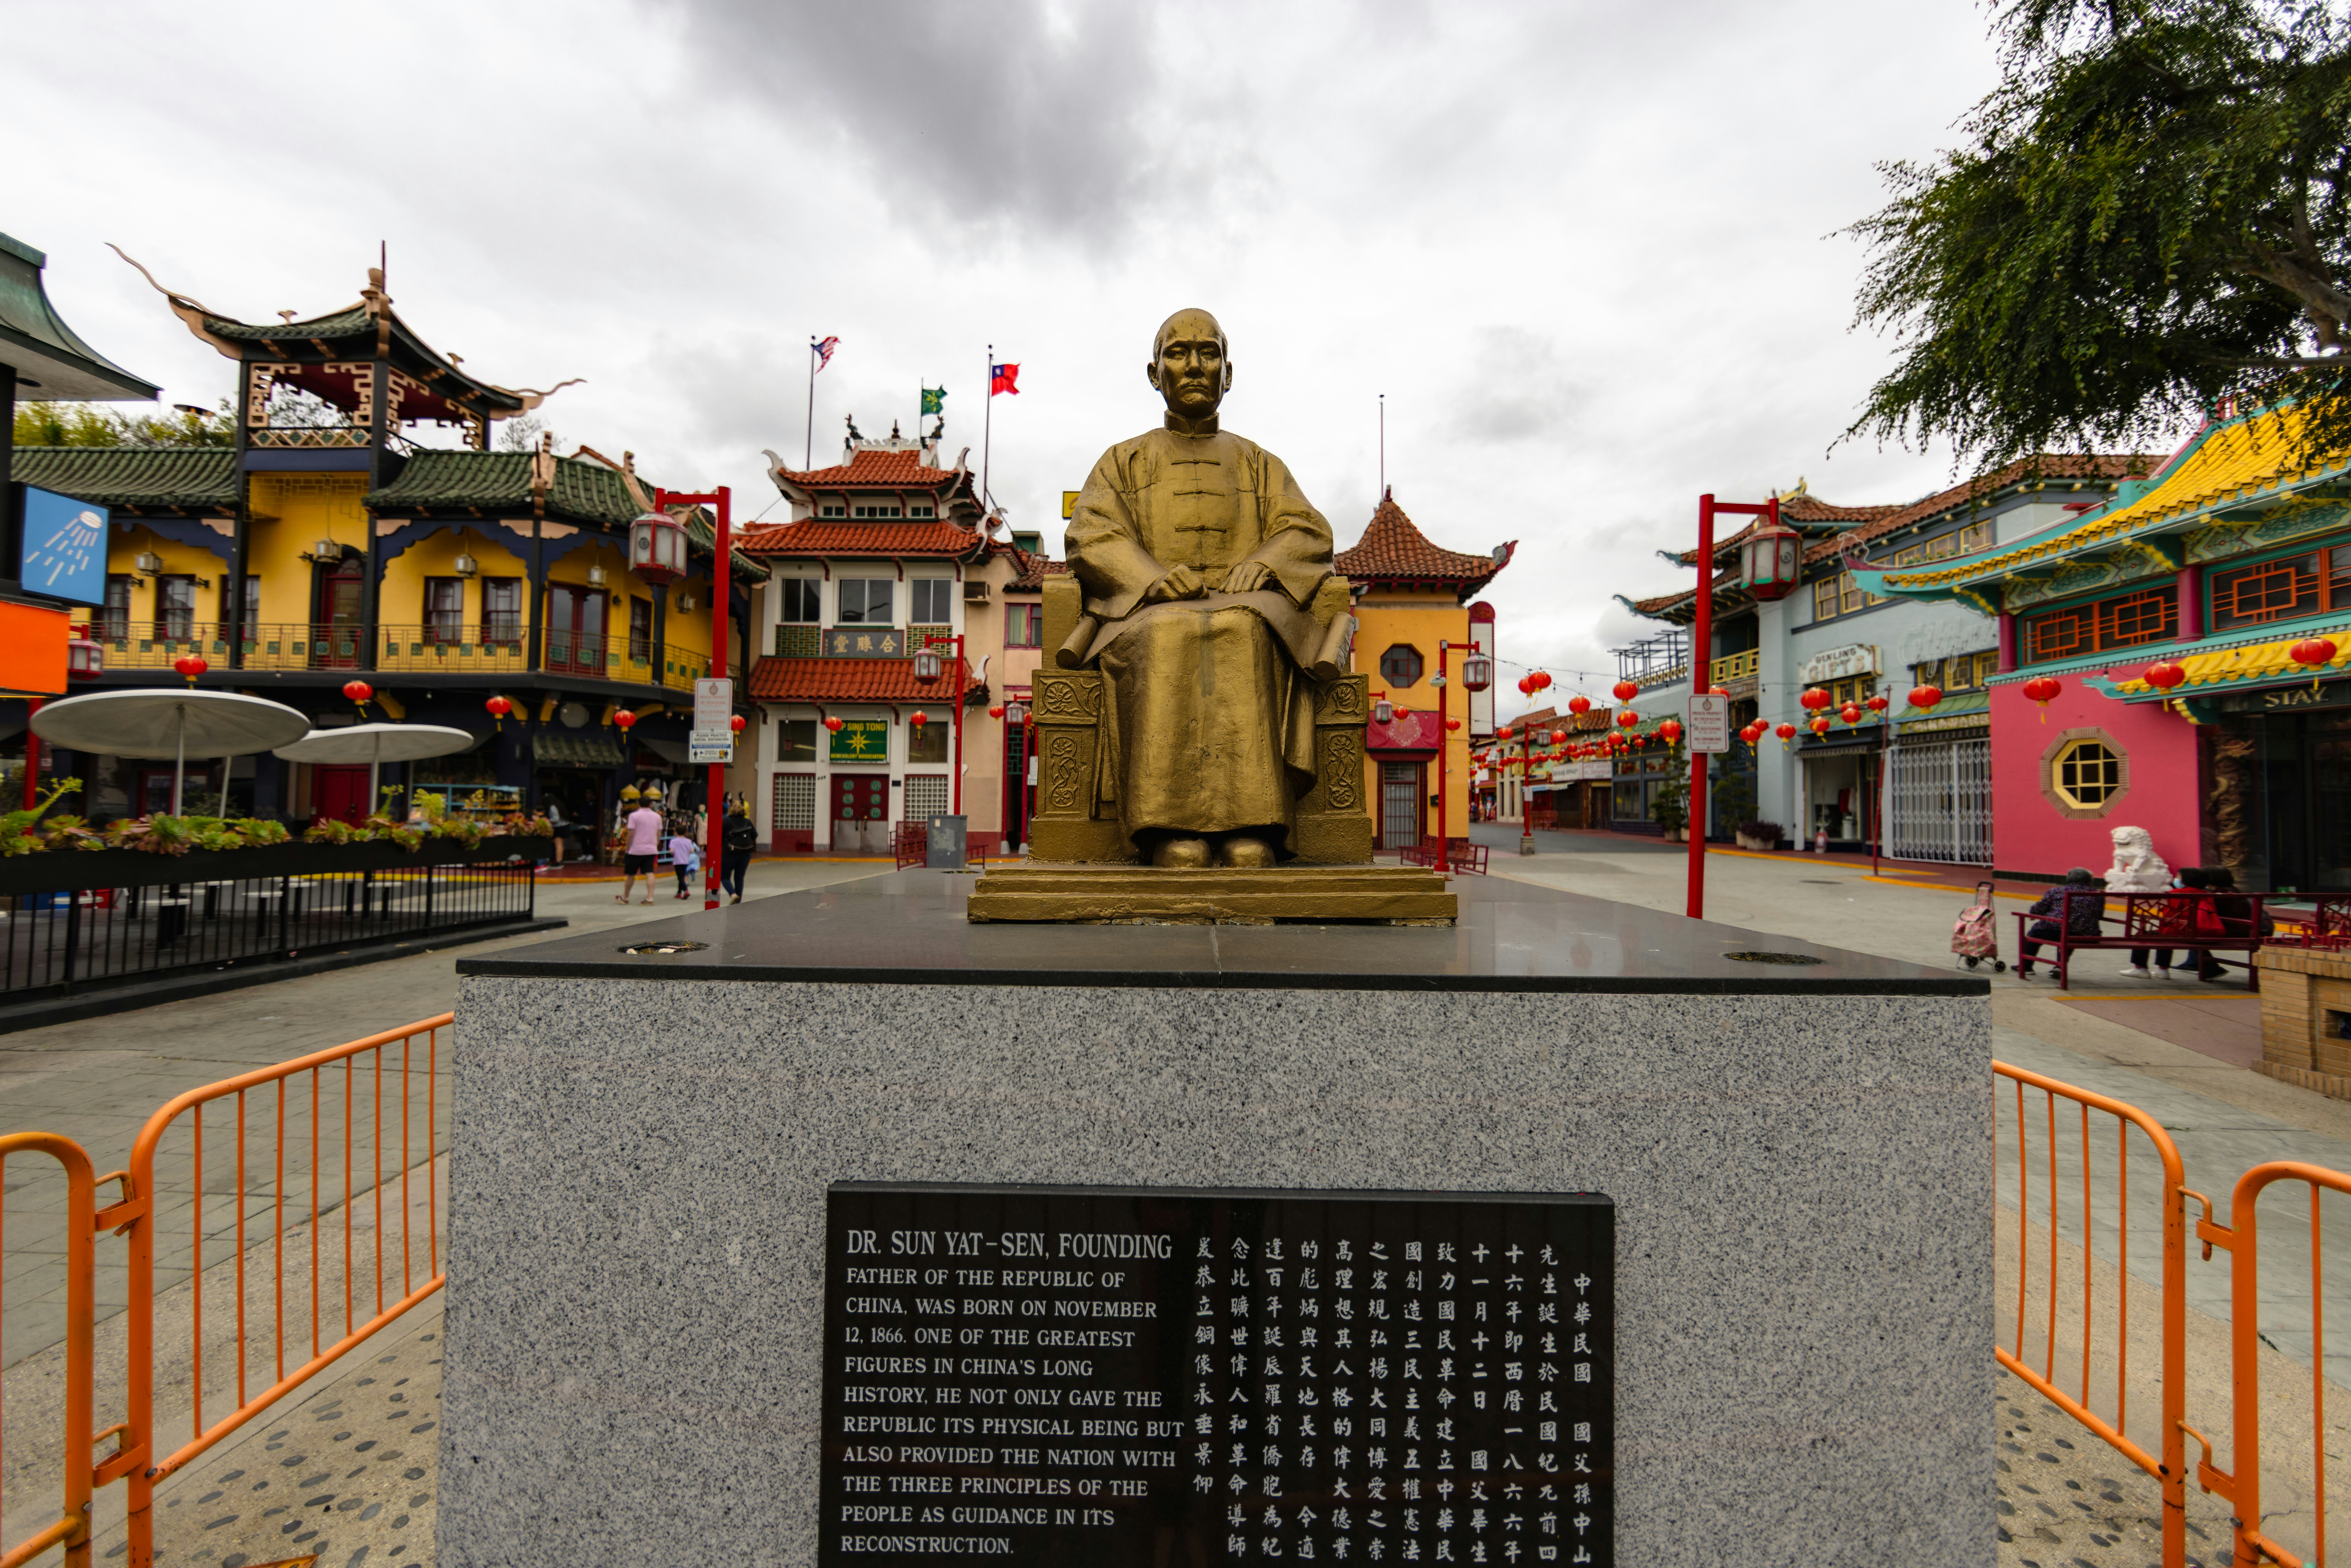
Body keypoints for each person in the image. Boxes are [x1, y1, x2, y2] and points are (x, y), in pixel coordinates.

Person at [1060, 308, 1351, 868]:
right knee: (1171, 631)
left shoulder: (1259, 462)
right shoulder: (1123, 460)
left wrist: (1267, 562)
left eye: (1209, 352)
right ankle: (1166, 829)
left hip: (1247, 608)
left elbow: (1308, 528)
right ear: (1153, 373)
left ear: (1228, 372)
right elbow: (1089, 533)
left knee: (1241, 627)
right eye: (1177, 352)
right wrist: (1148, 576)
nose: (1194, 365)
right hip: (1145, 613)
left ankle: (1254, 826)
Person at [2104, 824, 2174, 976]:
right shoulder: (2181, 894)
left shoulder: (2142, 852)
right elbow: (2120, 862)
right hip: (2183, 932)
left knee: (2144, 934)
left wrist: (2134, 871)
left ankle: (2140, 968)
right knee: (2163, 934)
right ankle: (2163, 970)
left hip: (2150, 874)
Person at [2017, 868, 2103, 980]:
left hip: (2054, 931)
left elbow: (2036, 910)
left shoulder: (2057, 891)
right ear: (2089, 881)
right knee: (2071, 931)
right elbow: (2099, 915)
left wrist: (2047, 913)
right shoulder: (2098, 895)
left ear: (2069, 879)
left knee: (2037, 932)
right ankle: (2059, 966)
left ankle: (2026, 967)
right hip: (2087, 935)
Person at [617, 792, 663, 905]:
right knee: (650, 872)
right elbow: (659, 834)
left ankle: (625, 897)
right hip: (651, 849)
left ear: (639, 804)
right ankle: (650, 898)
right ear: (651, 804)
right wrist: (656, 845)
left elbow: (631, 834)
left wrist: (628, 848)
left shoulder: (634, 816)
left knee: (631, 874)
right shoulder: (658, 817)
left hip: (635, 850)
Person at [722, 801, 758, 904]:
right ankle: (738, 903)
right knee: (739, 878)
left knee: (725, 877)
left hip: (729, 853)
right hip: (746, 853)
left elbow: (719, 837)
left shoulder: (726, 821)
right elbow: (755, 836)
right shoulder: (748, 821)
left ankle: (733, 895)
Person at [668, 826, 701, 900]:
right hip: (686, 861)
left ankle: (686, 891)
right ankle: (679, 893)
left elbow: (672, 851)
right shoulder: (689, 841)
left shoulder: (674, 841)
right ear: (686, 833)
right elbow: (692, 851)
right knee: (682, 876)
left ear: (676, 832)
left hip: (677, 861)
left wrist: (674, 853)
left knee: (680, 877)